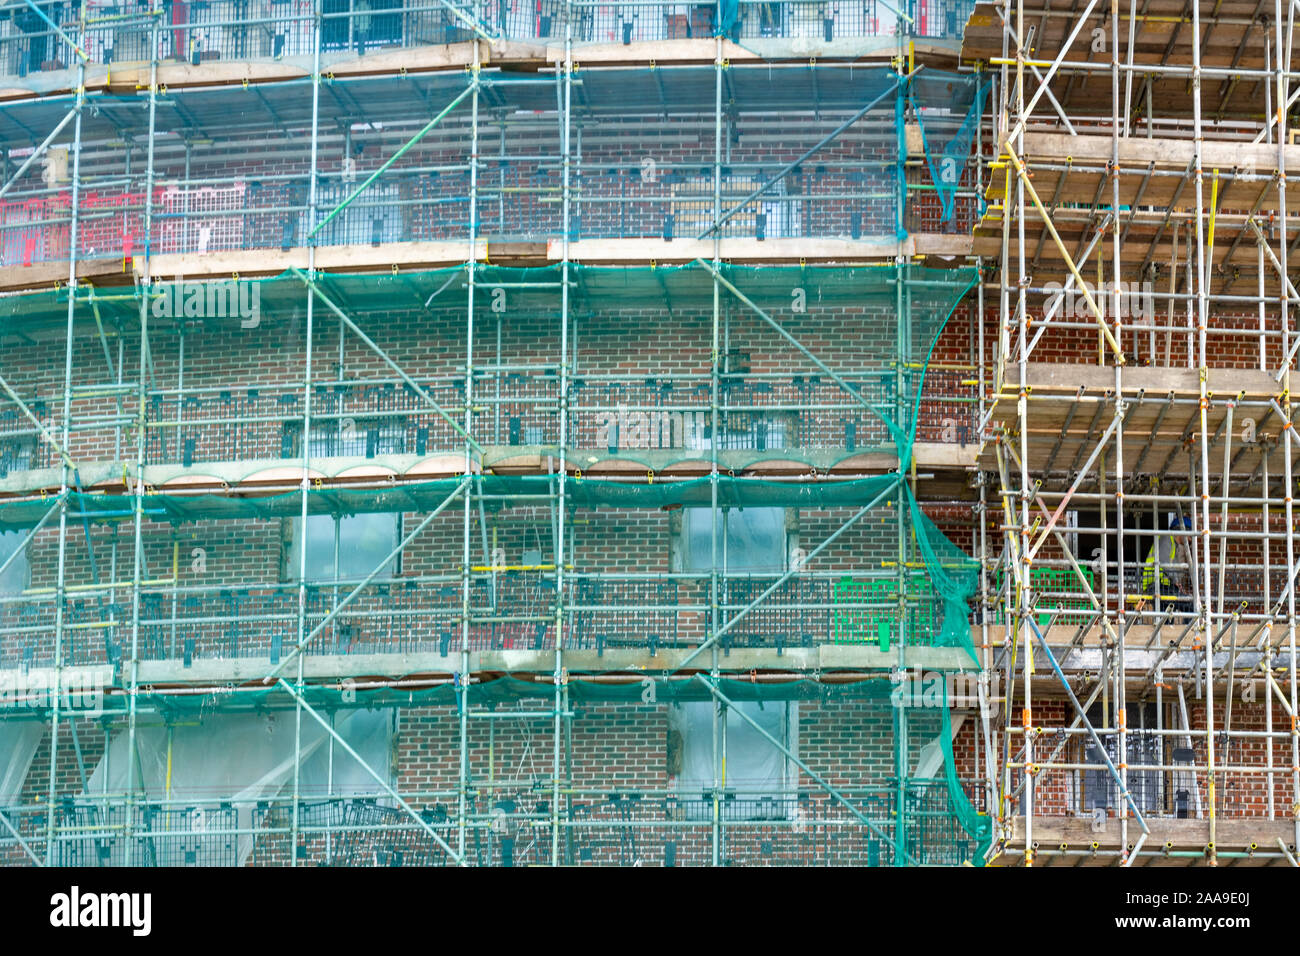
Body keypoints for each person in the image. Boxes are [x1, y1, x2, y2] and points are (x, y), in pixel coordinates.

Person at [1142, 515, 1193, 619]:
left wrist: (1176, 583)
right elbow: (1164, 563)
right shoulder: (1166, 538)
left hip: (1163, 586)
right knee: (1190, 605)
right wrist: (1176, 581)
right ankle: (1191, 632)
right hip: (1157, 585)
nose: (1190, 539)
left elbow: (1172, 568)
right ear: (1183, 531)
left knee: (1166, 617)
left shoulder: (1174, 545)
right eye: (1190, 535)